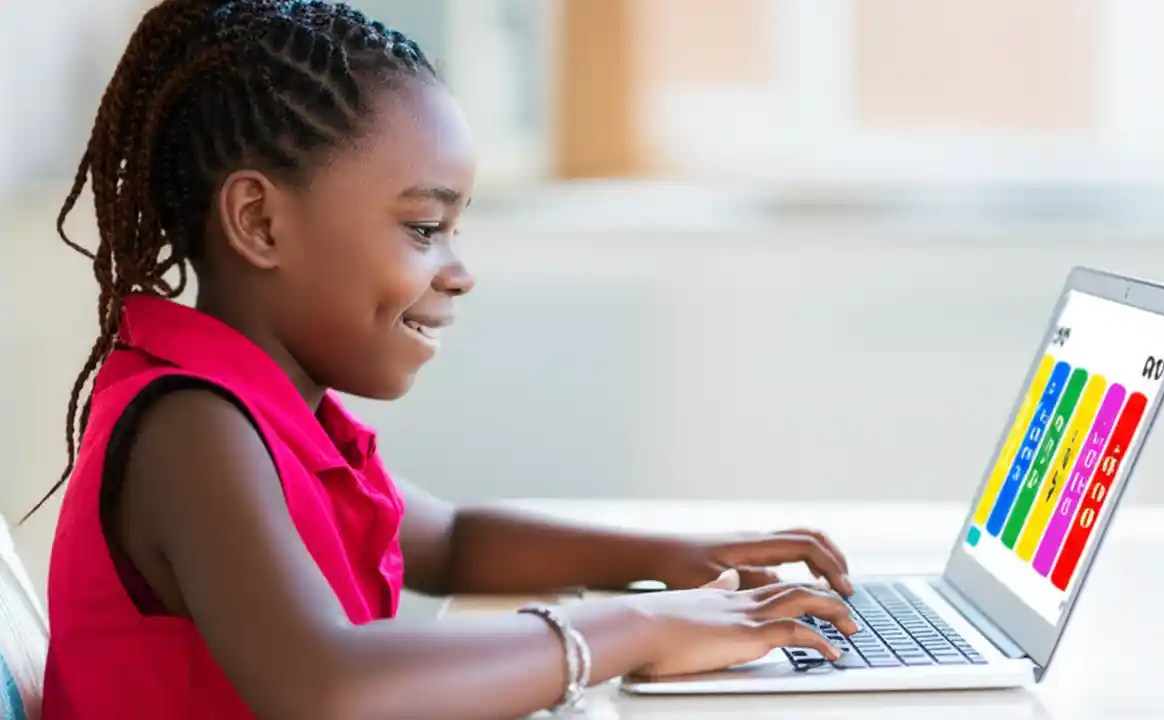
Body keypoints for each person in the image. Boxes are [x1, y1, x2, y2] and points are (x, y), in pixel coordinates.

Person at [32, 1, 859, 717]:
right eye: (425, 229)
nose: (459, 272)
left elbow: (454, 541)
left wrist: (671, 559)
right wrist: (634, 630)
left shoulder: (276, 415)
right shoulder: (192, 430)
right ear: (260, 221)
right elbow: (329, 688)